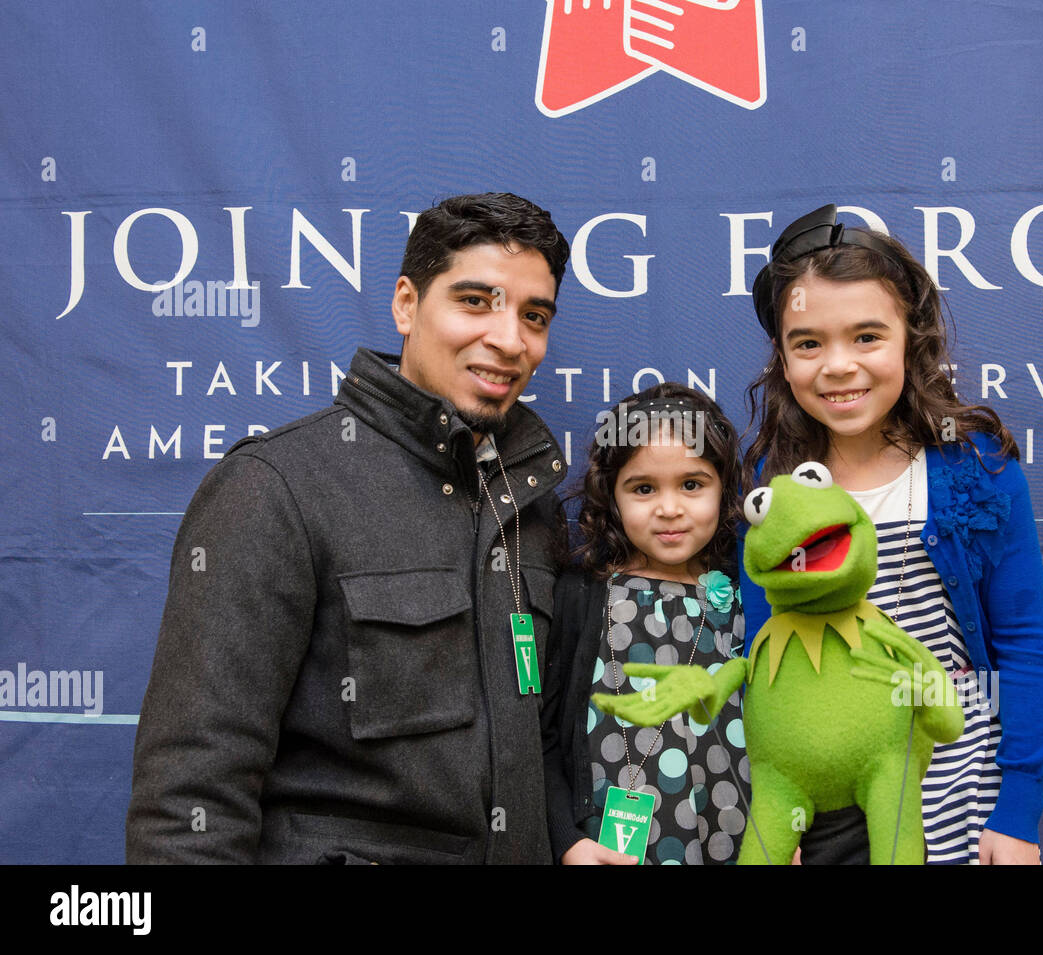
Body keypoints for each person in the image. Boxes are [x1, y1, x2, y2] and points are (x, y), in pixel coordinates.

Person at [126, 192, 572, 863]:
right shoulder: (277, 487)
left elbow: (531, 752)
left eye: (533, 316)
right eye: (475, 301)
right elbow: (190, 801)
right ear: (406, 304)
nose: (509, 340)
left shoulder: (530, 506)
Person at [740, 204, 1043, 865]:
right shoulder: (776, 487)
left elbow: (1025, 648)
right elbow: (762, 659)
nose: (837, 366)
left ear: (909, 338)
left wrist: (1019, 812)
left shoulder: (977, 469)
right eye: (808, 342)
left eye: (866, 336)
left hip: (958, 807)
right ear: (782, 355)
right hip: (826, 816)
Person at [542, 383, 750, 865]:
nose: (670, 508)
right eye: (643, 488)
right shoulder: (581, 597)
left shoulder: (749, 595)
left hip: (744, 844)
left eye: (692, 484)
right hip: (613, 852)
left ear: (724, 485)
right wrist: (566, 841)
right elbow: (543, 737)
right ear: (611, 495)